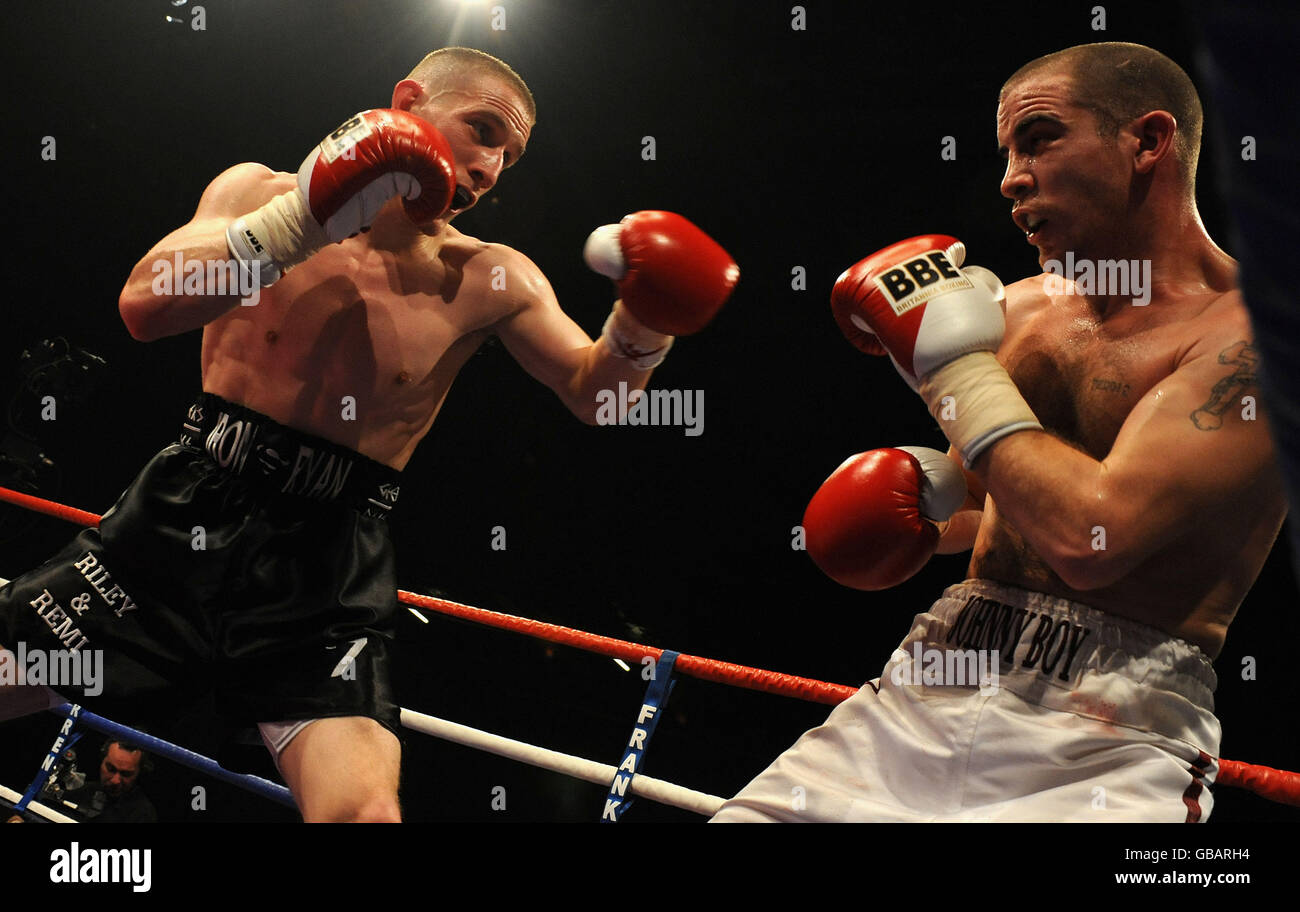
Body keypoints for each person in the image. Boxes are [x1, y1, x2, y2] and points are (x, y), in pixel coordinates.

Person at [0, 47, 737, 822]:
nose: (489, 168)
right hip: (177, 522)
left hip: (326, 570)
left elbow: (599, 399)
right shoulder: (258, 190)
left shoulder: (491, 277)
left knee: (363, 815)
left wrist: (647, 323)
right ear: (409, 100)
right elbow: (146, 306)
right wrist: (302, 223)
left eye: (509, 159)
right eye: (481, 131)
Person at [713, 42, 1284, 822]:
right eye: (1007, 151)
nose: (1013, 176)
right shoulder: (1014, 310)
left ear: (1148, 141)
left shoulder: (1256, 340)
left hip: (1107, 738)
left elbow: (1094, 537)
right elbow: (993, 503)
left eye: (1041, 138)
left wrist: (952, 372)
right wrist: (920, 509)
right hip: (931, 680)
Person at [55, 739, 158, 823]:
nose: (115, 781)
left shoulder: (143, 815)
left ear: (139, 773)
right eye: (110, 769)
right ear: (102, 761)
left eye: (126, 774)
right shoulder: (80, 792)